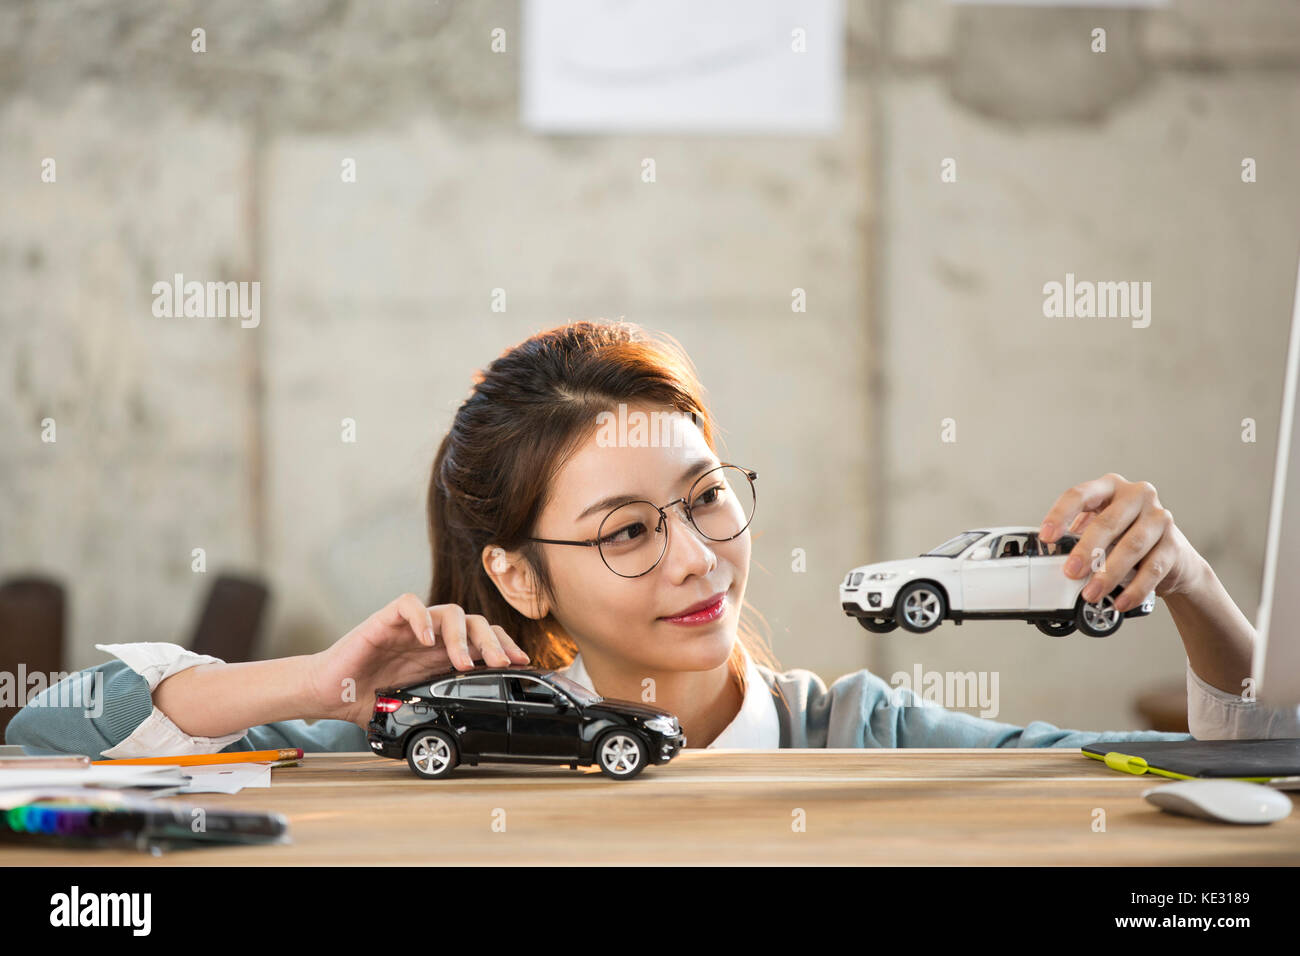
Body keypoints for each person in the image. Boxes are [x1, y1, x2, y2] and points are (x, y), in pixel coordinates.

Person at [7, 320, 1296, 758]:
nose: (695, 560)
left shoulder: (860, 736)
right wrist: (310, 690)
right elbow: (45, 739)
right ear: (515, 572)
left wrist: (1189, 591)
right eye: (626, 531)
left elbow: (1246, 779)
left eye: (706, 499)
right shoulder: (450, 732)